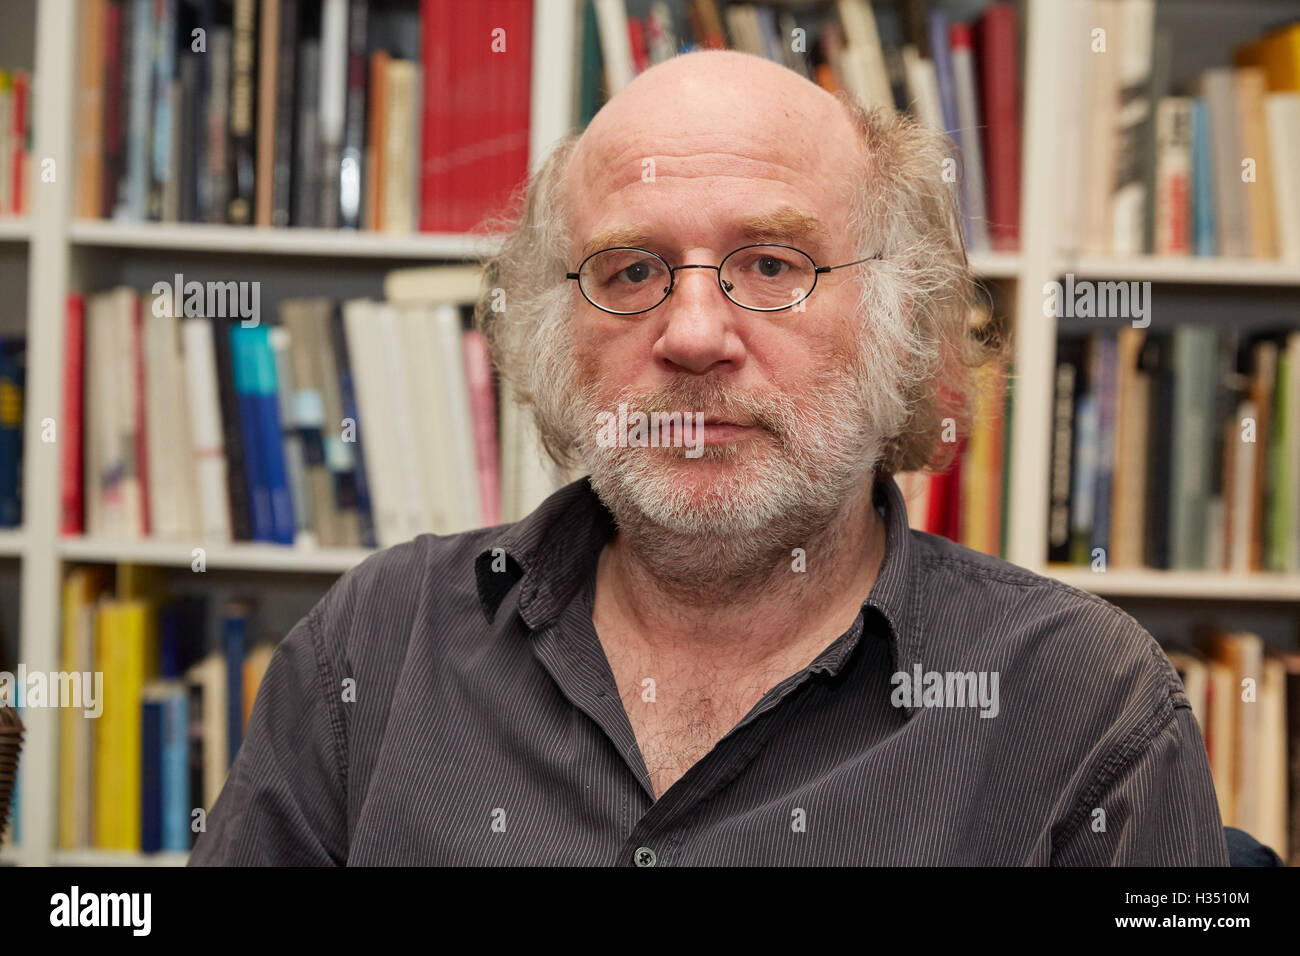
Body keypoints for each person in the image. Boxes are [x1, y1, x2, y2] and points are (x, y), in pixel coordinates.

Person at [190, 50, 1228, 866]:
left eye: (771, 264)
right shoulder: (372, 645)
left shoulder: (1084, 702)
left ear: (900, 320)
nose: (693, 333)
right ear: (551, 332)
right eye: (630, 268)